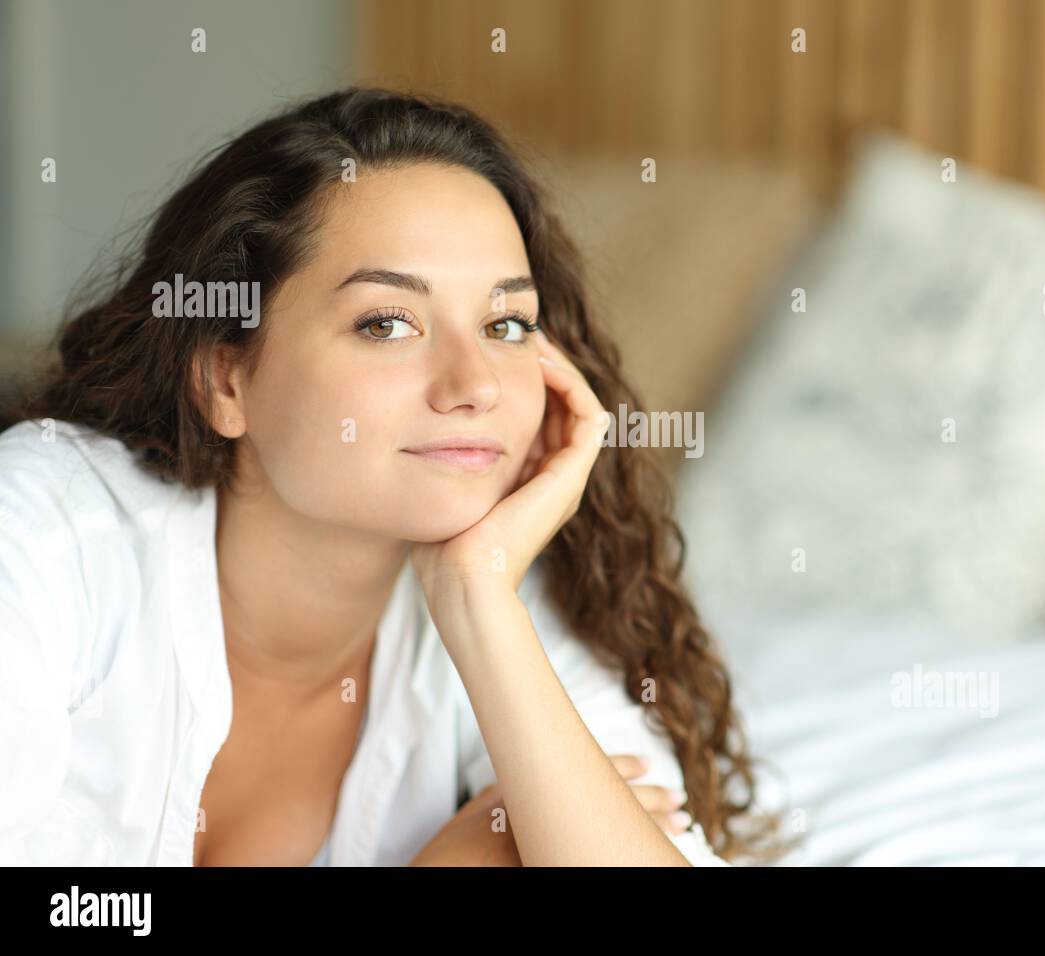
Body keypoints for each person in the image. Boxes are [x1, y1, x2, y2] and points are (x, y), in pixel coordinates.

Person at [0, 88, 785, 867]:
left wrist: (476, 596)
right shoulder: (41, 536)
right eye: (386, 323)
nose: (473, 384)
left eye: (505, 324)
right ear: (226, 380)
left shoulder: (506, 602)